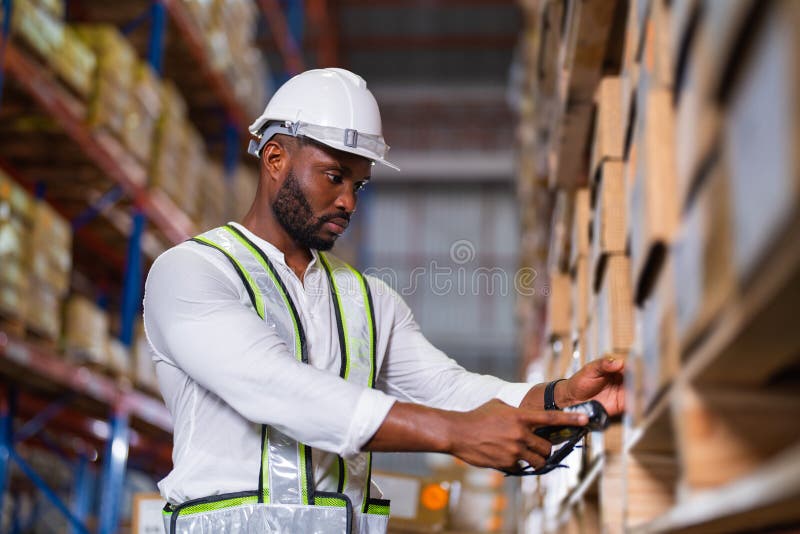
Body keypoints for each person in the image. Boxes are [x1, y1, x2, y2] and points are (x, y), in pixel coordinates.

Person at [143, 68, 625, 534]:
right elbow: (276, 388)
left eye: (358, 185)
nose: (349, 201)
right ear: (274, 160)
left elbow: (449, 389)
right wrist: (454, 433)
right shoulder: (192, 272)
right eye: (333, 176)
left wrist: (561, 398)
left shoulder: (369, 299)